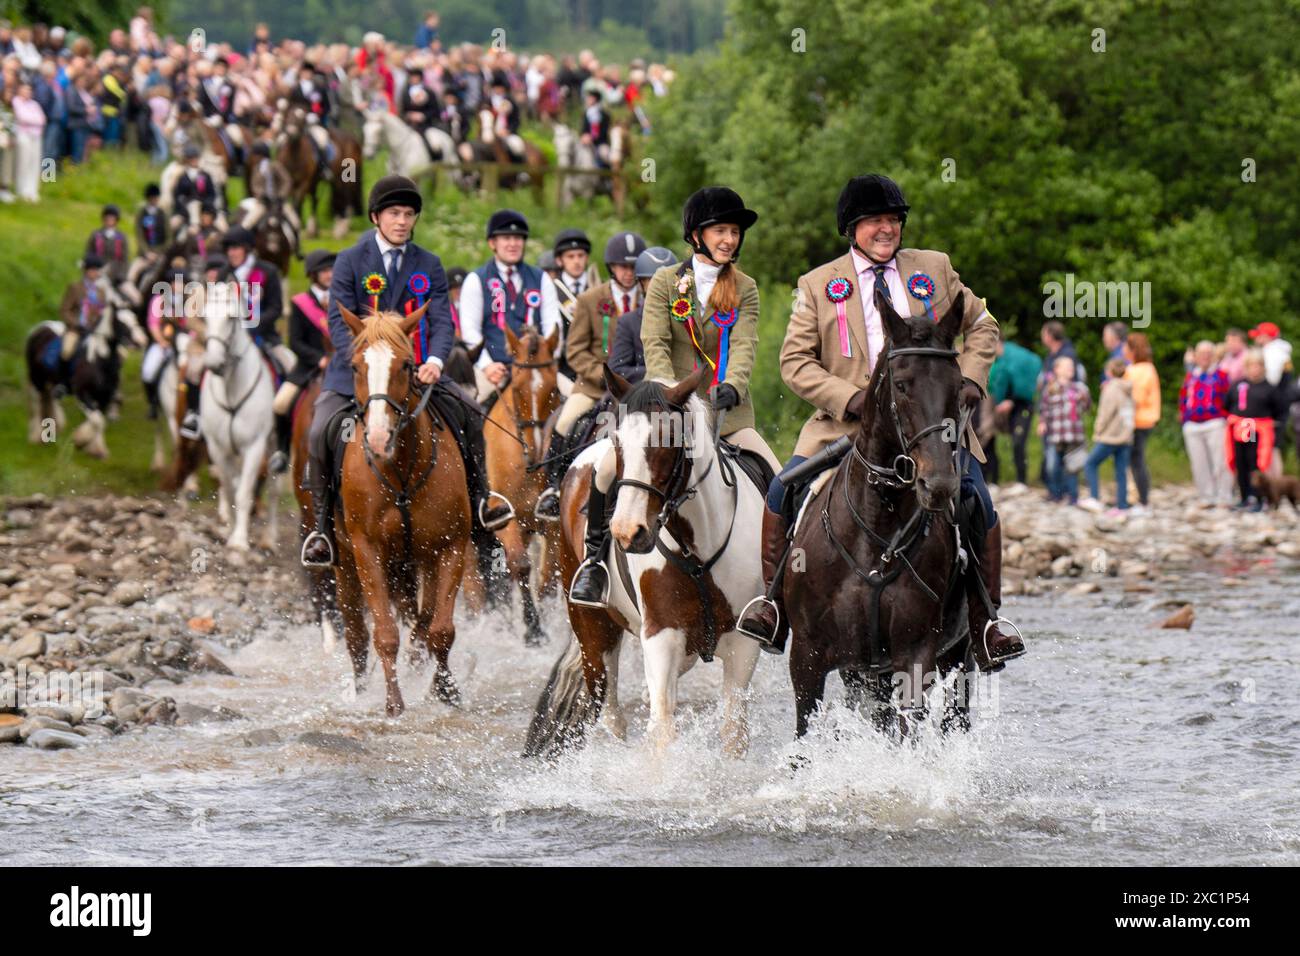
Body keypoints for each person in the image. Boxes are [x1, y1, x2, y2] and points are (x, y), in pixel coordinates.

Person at [743, 173, 1020, 669]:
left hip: (930, 426)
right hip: (846, 429)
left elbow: (982, 326)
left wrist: (970, 381)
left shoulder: (933, 269)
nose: (886, 229)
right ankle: (773, 606)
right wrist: (850, 399)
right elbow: (795, 362)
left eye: (892, 220)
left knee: (976, 499)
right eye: (874, 221)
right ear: (853, 229)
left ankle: (986, 622)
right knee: (783, 489)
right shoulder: (817, 285)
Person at [569, 186, 782, 611]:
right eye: (720, 230)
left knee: (779, 484)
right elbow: (655, 342)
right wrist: (670, 394)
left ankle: (776, 592)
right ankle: (595, 563)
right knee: (606, 469)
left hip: (729, 414)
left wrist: (733, 385)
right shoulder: (667, 282)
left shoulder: (746, 287)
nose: (729, 239)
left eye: (735, 232)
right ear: (696, 235)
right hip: (668, 412)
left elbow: (744, 344)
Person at [301, 175, 513, 567]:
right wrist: (366, 367)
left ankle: (483, 501)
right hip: (360, 374)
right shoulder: (349, 259)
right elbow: (338, 319)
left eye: (409, 214)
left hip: (415, 371)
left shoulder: (428, 264)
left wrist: (434, 360)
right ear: (375, 217)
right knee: (320, 430)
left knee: (469, 413)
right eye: (394, 213)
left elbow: (442, 321)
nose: (402, 221)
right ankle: (322, 528)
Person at [535, 230, 646, 520]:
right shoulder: (590, 299)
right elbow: (575, 350)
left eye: (634, 267)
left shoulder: (650, 298)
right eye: (623, 266)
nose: (628, 272)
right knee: (565, 422)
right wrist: (603, 375)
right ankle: (554, 488)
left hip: (640, 386)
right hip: (595, 386)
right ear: (611, 267)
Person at [456, 208, 561, 404]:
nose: (513, 244)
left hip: (536, 366)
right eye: (506, 238)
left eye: (518, 238)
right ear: (492, 243)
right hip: (494, 369)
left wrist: (542, 360)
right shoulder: (476, 279)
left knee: (571, 410)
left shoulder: (542, 278)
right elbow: (470, 331)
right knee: (467, 406)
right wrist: (487, 365)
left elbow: (553, 327)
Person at [268, 249, 334, 475]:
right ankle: (282, 451)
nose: (329, 275)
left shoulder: (344, 299)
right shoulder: (300, 303)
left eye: (332, 270)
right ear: (314, 274)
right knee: (281, 403)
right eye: (324, 271)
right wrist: (319, 359)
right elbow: (295, 342)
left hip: (340, 366)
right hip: (309, 366)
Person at [1226, 352, 1286, 511]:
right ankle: (1244, 496)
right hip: (1241, 427)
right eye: (1251, 366)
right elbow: (1228, 403)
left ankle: (1258, 498)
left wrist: (1275, 426)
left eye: (1257, 365)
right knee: (1241, 462)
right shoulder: (1238, 385)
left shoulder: (1269, 388)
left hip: (1257, 429)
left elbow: (1280, 410)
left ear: (1263, 367)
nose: (1254, 369)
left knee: (1255, 463)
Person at [608, 247, 677, 383]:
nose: (662, 287)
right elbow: (618, 369)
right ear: (642, 283)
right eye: (655, 281)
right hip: (643, 394)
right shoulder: (628, 322)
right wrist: (659, 372)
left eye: (667, 281)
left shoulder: (687, 317)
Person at [1179, 340, 1232, 506]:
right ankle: (1206, 496)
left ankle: (1224, 495)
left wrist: (1224, 416)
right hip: (1192, 423)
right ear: (1195, 356)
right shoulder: (1191, 375)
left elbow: (1228, 398)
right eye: (1201, 354)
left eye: (1208, 354)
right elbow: (1183, 397)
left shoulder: (1221, 374)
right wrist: (1184, 416)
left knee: (1220, 461)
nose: (1205, 357)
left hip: (1214, 422)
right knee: (1199, 463)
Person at [1078, 358, 1134, 515]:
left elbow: (1105, 413)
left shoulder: (1111, 389)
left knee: (1090, 463)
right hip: (1125, 435)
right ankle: (1122, 506)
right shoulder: (1128, 388)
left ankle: (1094, 497)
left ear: (1109, 372)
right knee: (1121, 471)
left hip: (1110, 436)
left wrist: (1098, 430)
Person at [987, 332, 1041, 485]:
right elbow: (999, 382)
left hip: (1023, 404)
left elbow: (1023, 383)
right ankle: (1019, 480)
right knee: (1013, 441)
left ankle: (1022, 481)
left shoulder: (1015, 356)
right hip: (1011, 405)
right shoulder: (1001, 360)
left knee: (1018, 442)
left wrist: (1011, 401)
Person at [1037, 355, 1090, 505]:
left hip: (1074, 435)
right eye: (1066, 366)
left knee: (1072, 467)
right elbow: (1044, 409)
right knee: (1052, 465)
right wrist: (1042, 423)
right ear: (1056, 370)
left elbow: (1087, 407)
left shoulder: (1080, 388)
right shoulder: (1051, 389)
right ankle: (1056, 493)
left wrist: (1084, 398)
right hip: (1055, 434)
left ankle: (1072, 496)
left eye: (1072, 367)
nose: (1070, 369)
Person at [239, 140, 300, 257]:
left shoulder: (275, 166)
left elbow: (286, 181)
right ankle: (248, 247)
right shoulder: (256, 169)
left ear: (262, 155)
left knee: (295, 222)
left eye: (256, 155)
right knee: (248, 223)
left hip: (279, 202)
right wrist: (261, 195)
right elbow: (254, 185)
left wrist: (281, 196)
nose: (254, 158)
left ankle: (297, 249)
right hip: (263, 203)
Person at [1122, 332, 1160, 515]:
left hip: (1139, 421)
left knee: (1136, 461)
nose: (1122, 350)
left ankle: (1143, 501)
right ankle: (1137, 498)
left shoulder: (1142, 370)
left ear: (1133, 349)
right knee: (1134, 460)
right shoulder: (1140, 369)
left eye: (1125, 347)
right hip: (1138, 420)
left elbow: (1135, 397)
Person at [85, 204, 137, 304]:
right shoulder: (95, 235)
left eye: (112, 218)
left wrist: (121, 276)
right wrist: (93, 273)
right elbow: (88, 255)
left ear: (116, 220)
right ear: (103, 219)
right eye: (107, 218)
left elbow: (125, 259)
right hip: (98, 275)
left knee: (135, 298)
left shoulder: (122, 237)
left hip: (117, 276)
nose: (109, 220)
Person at [58, 255, 106, 362]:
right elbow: (64, 310)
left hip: (94, 330)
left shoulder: (101, 291)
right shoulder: (75, 288)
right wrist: (76, 324)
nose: (96, 273)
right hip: (76, 330)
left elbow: (102, 311)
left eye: (97, 270)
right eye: (93, 270)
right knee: (67, 350)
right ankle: (62, 376)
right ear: (86, 271)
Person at [170, 144, 218, 236]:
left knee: (223, 227)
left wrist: (206, 209)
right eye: (191, 158)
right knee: (173, 224)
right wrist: (183, 209)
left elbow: (211, 194)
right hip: (185, 210)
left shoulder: (205, 175)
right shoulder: (181, 176)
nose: (194, 160)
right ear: (187, 160)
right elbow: (177, 195)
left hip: (204, 209)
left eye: (196, 158)